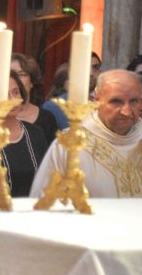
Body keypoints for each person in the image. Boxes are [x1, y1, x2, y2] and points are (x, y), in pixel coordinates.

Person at [30, 70, 142, 198]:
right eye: (116, 101)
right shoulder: (69, 144)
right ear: (97, 99)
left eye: (134, 101)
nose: (126, 112)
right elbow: (46, 202)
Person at [0, 73, 50, 197]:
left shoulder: (35, 133)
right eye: (4, 95)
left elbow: (47, 178)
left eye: (16, 92)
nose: (13, 100)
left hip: (35, 210)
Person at [11, 53, 58, 144]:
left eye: (21, 74)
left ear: (32, 81)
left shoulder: (47, 118)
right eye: (12, 74)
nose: (16, 78)